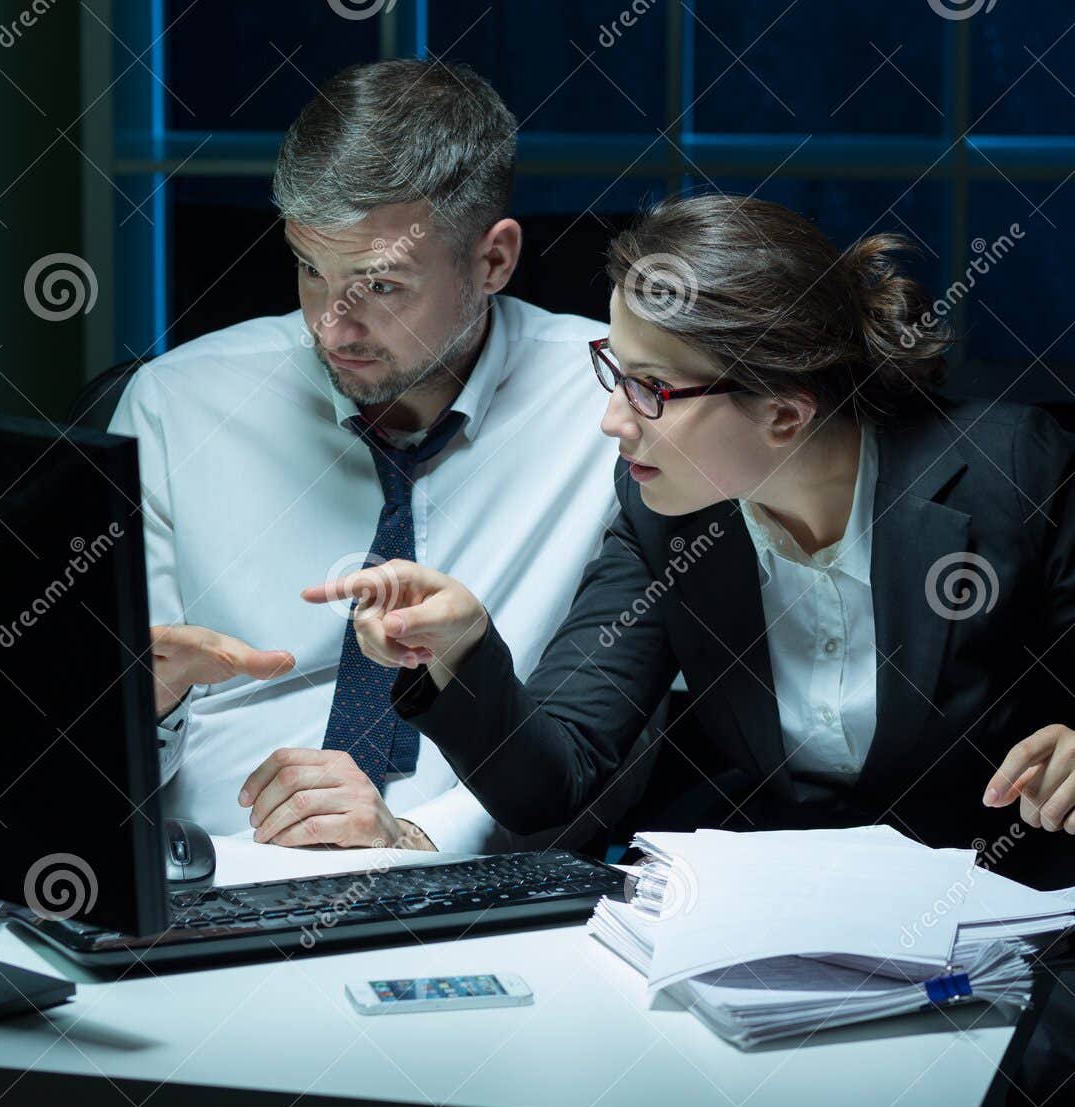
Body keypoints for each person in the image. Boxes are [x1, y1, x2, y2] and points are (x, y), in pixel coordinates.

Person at [318, 192, 1075, 889]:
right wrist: (461, 653)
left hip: (1008, 918)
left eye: (650, 388)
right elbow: (552, 781)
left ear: (784, 415)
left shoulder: (1014, 470)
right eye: (615, 372)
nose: (613, 420)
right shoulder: (667, 516)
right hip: (776, 919)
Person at [108, 58, 625, 852]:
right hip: (210, 865)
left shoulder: (612, 407)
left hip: (465, 880)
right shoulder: (178, 402)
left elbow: (614, 733)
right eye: (310, 270)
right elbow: (97, 754)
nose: (331, 325)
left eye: (380, 286)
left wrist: (415, 841)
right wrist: (145, 704)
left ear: (493, 260)